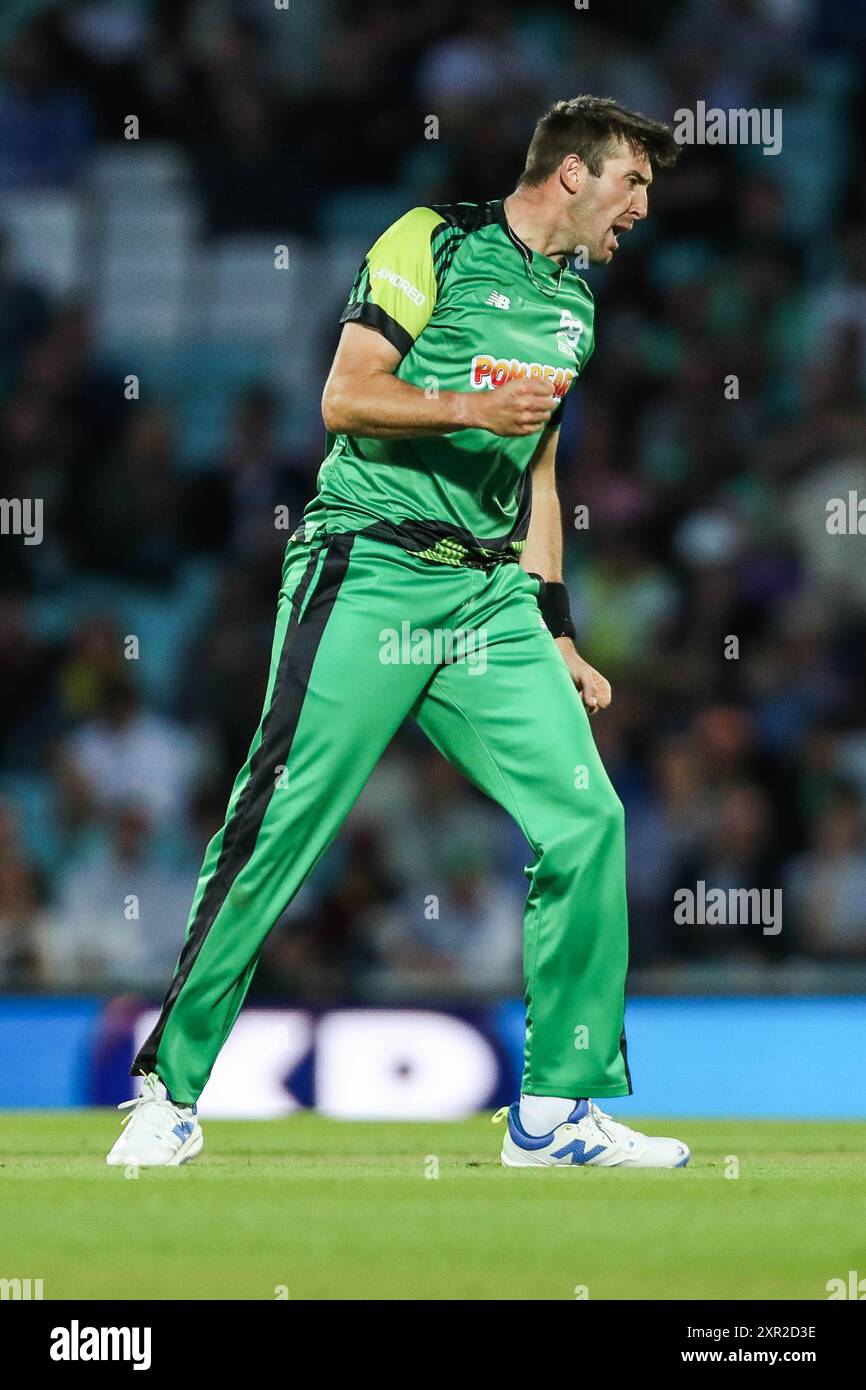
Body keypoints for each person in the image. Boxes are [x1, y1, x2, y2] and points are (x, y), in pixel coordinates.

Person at [107, 96, 690, 1170]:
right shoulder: (429, 241)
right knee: (279, 824)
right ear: (570, 174)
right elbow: (344, 394)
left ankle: (555, 1111)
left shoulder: (575, 306)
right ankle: (168, 1091)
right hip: (368, 567)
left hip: (486, 601)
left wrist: (554, 626)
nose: (642, 207)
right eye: (632, 183)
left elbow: (541, 475)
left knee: (587, 821)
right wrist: (471, 409)